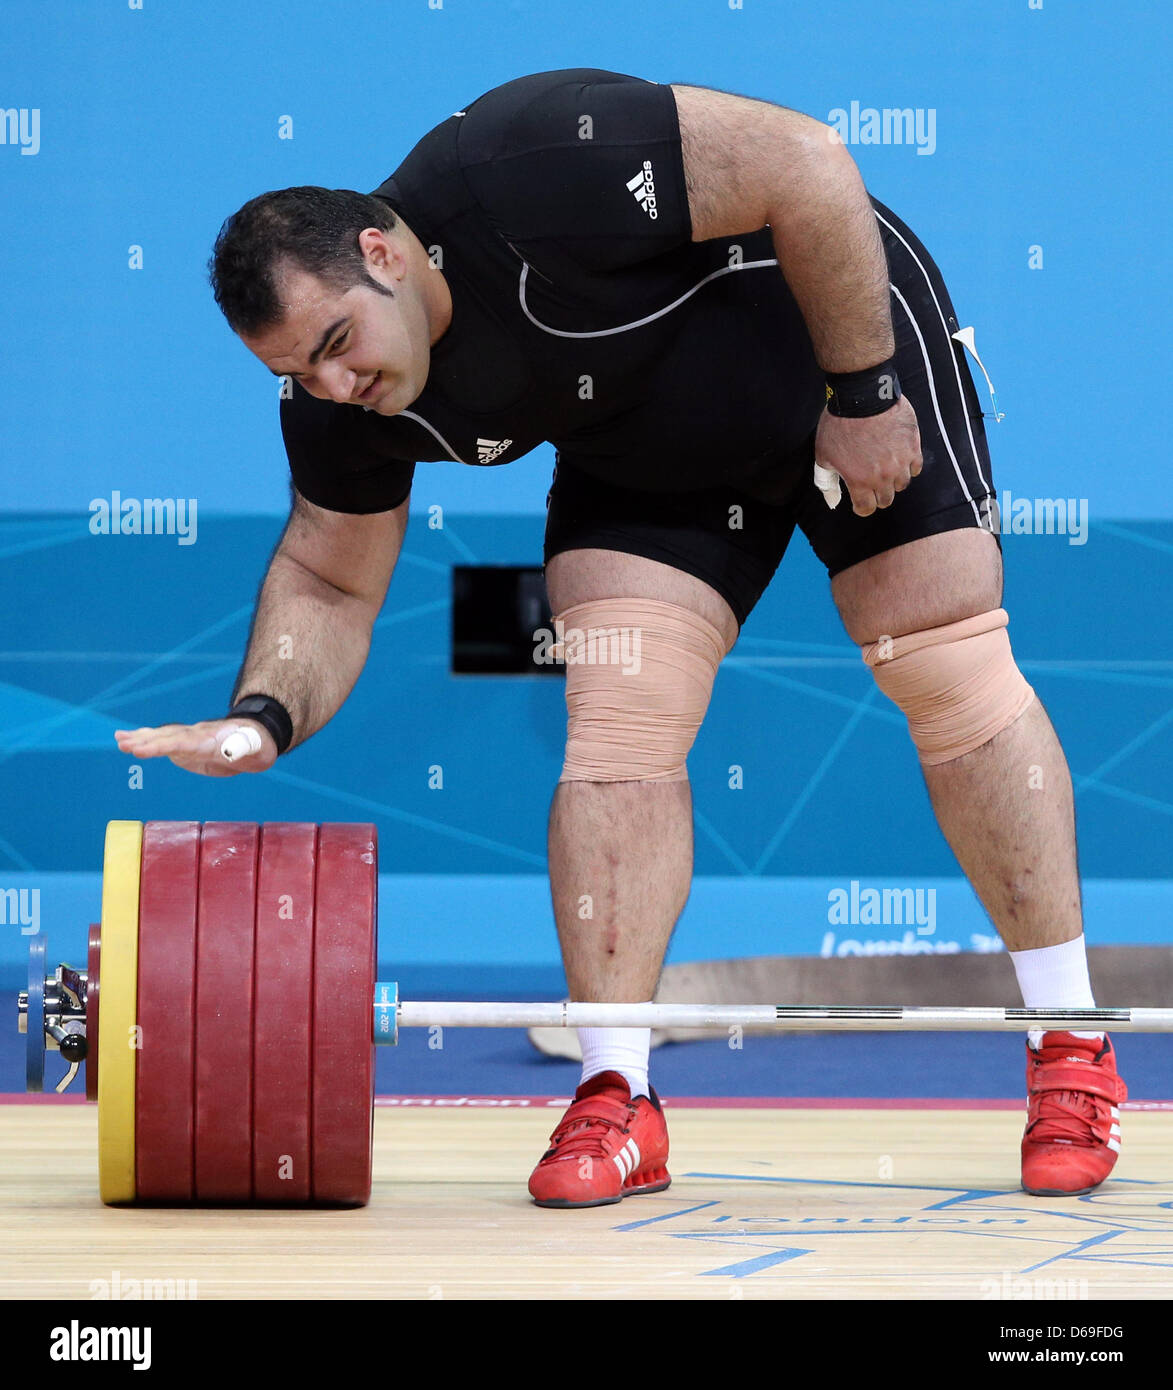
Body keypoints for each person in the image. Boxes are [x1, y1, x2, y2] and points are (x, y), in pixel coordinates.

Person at [115, 67, 1125, 1207]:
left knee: (944, 658)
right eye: (299, 371)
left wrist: (867, 394)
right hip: (649, 445)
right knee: (618, 713)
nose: (336, 385)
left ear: (383, 252)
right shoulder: (338, 400)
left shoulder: (531, 160)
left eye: (339, 342)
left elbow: (809, 163)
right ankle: (617, 1094)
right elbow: (329, 580)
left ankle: (1071, 1047)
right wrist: (262, 719)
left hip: (826, 341)